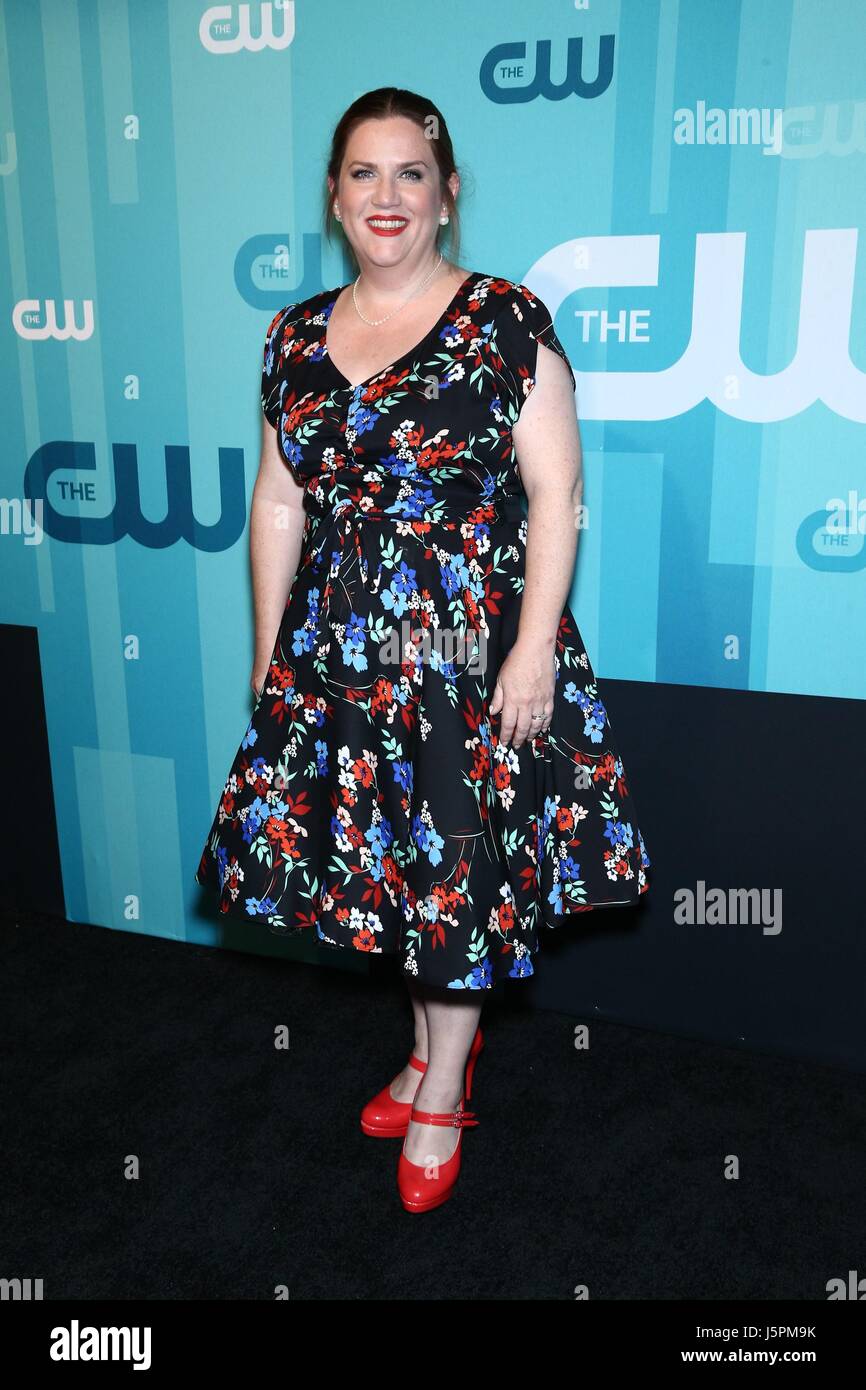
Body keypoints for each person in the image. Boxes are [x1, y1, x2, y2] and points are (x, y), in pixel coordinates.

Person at [195, 86, 651, 1213]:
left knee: (451, 871)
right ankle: (425, 1048)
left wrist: (531, 649)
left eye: (410, 173)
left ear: (446, 195)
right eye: (363, 174)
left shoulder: (503, 318)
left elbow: (558, 492)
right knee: (389, 866)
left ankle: (443, 1086)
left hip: (463, 643)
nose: (385, 195)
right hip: (339, 649)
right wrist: (270, 662)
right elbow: (277, 505)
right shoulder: (293, 333)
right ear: (334, 199)